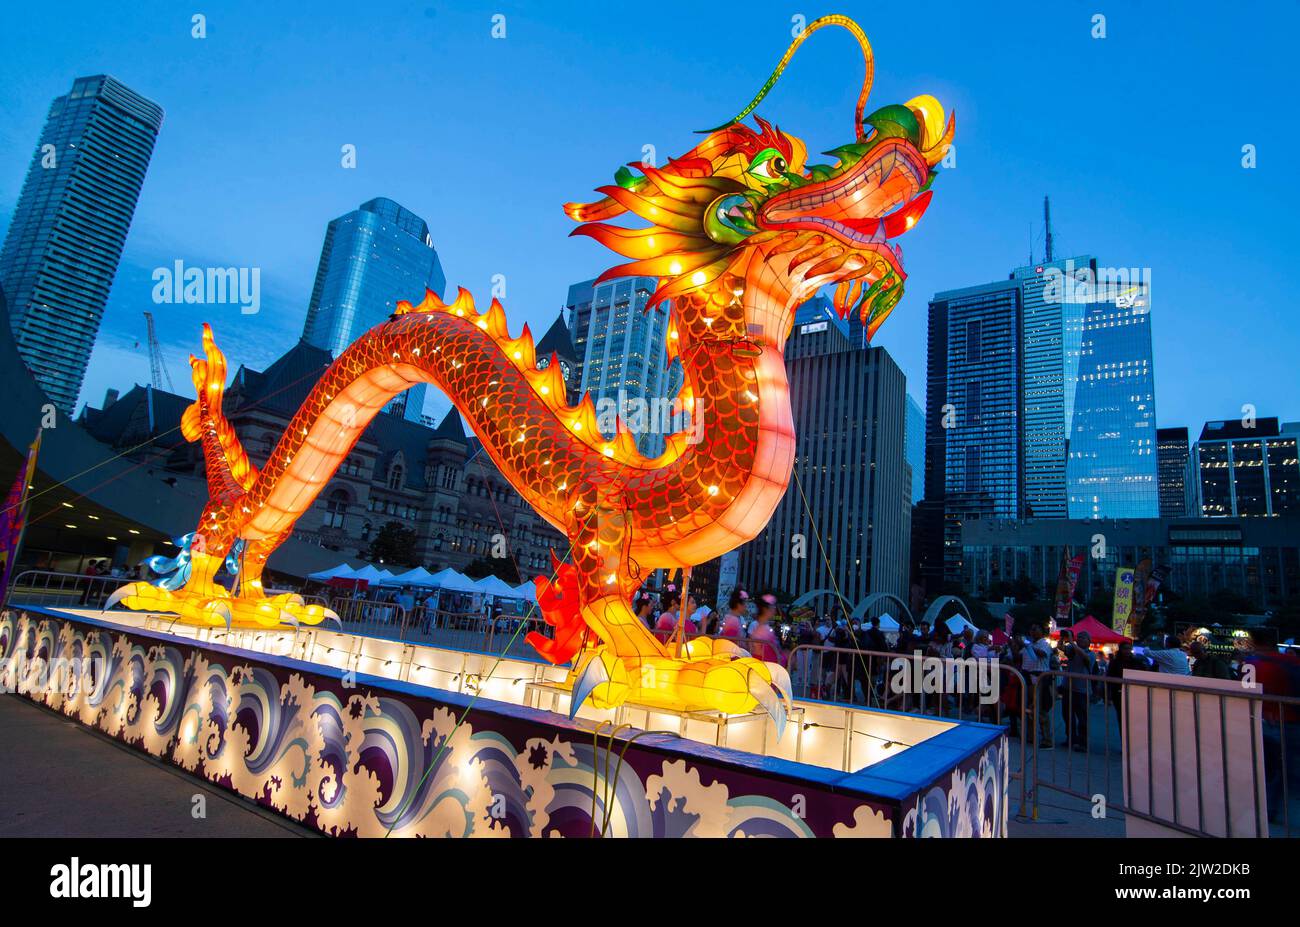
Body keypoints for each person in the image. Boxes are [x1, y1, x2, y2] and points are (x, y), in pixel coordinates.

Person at [1020, 623, 1055, 749]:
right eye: (1031, 629)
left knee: (1040, 709)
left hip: (1040, 679)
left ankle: (1047, 739)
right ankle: (1031, 736)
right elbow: (1019, 655)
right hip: (1029, 678)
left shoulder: (1044, 643)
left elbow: (1043, 654)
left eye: (1036, 629)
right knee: (1030, 708)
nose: (1033, 631)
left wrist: (1029, 646)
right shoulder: (1030, 644)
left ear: (1041, 631)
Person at [1060, 630, 1095, 750]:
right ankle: (1071, 739)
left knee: (1082, 718)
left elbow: (1084, 657)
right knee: (1067, 715)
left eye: (1083, 638)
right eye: (1078, 637)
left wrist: (1071, 642)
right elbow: (1060, 648)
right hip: (1068, 688)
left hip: (1082, 690)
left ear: (1089, 641)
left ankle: (1083, 743)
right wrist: (1062, 638)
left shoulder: (1091, 654)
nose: (1080, 639)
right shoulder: (1072, 650)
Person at [747, 594, 785, 667]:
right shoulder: (763, 630)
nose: (774, 609)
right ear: (765, 609)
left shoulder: (762, 627)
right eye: (773, 607)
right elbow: (770, 657)